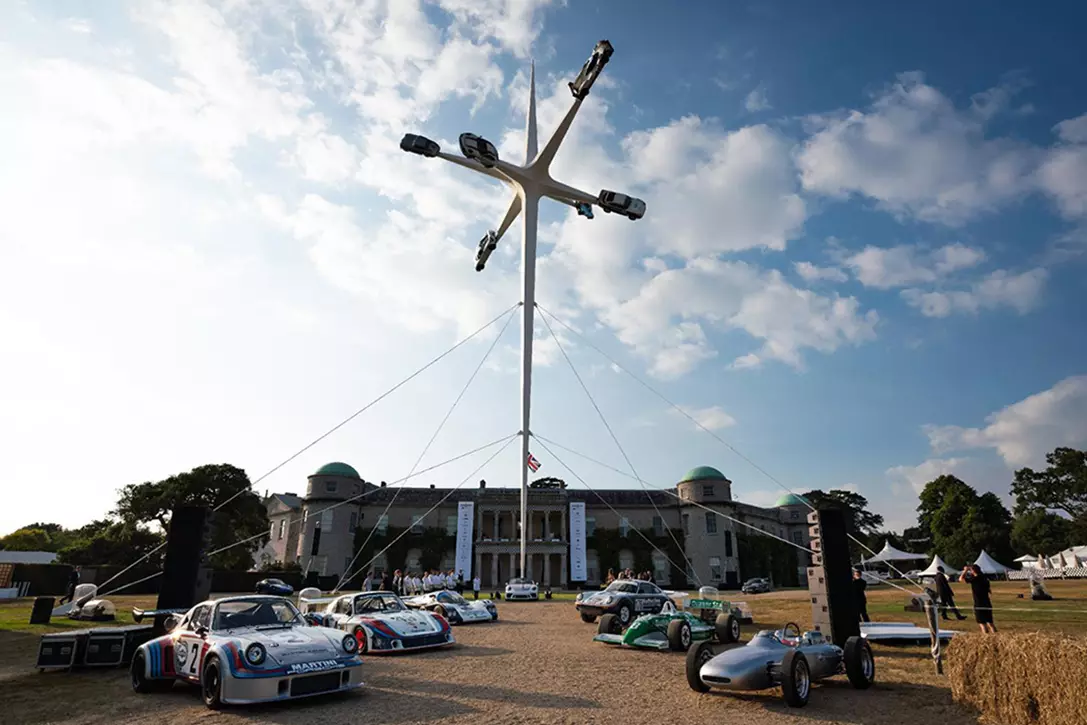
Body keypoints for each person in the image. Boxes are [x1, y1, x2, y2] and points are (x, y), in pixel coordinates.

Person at [963, 564, 997, 633]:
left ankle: (986, 639)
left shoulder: (975, 579)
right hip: (987, 602)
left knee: (982, 624)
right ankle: (996, 637)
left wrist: (965, 570)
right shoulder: (984, 578)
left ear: (973, 571)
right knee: (990, 623)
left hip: (979, 603)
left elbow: (961, 579)